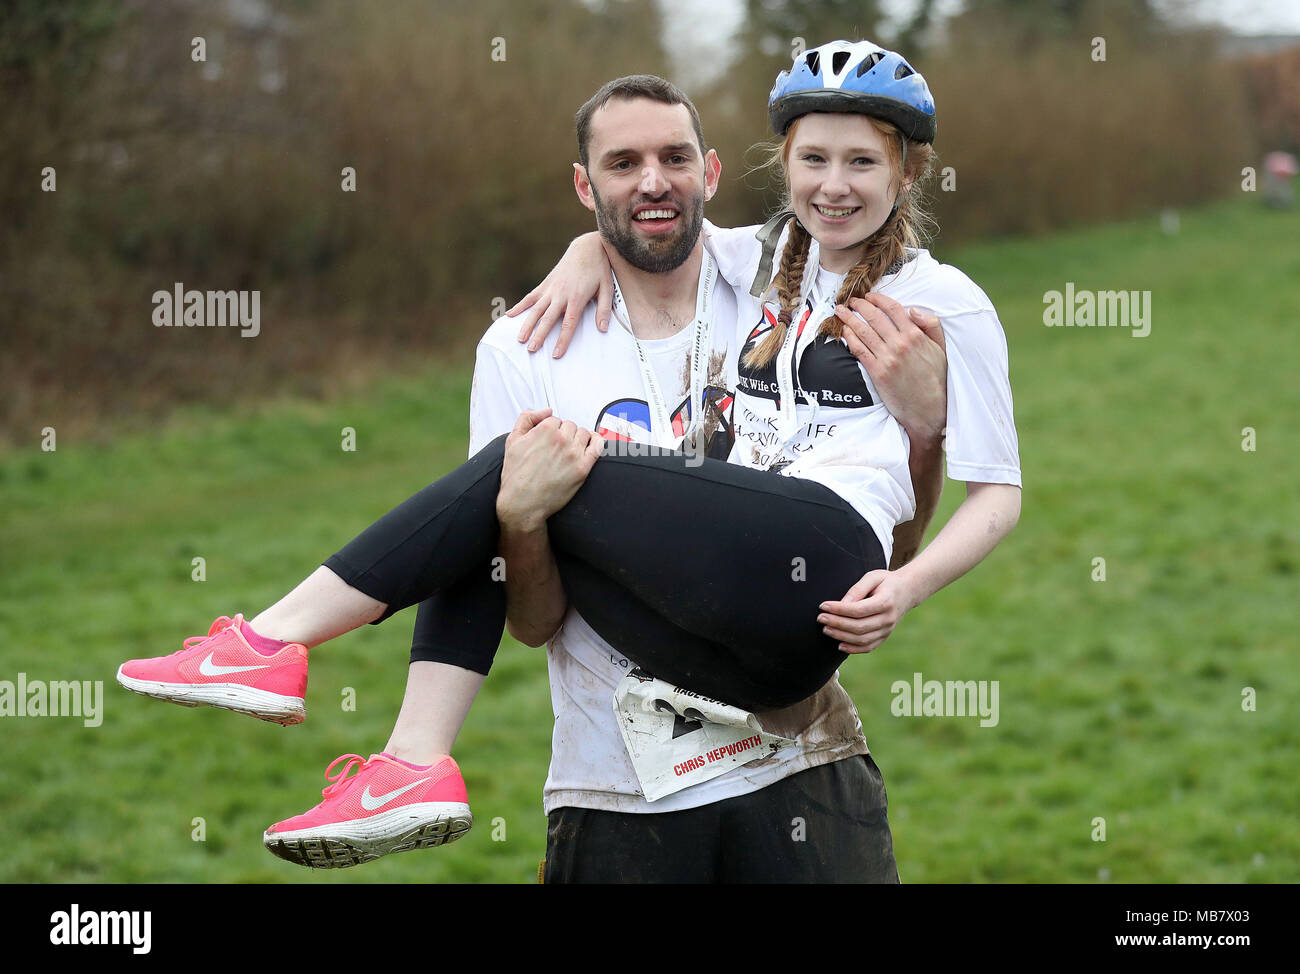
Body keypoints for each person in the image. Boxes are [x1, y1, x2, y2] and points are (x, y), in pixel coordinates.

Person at [116, 42, 1020, 881]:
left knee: (531, 465)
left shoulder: (941, 303)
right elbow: (647, 235)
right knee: (511, 494)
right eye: (813, 161)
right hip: (722, 676)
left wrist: (911, 553)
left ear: (908, 171)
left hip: (815, 595)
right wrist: (587, 251)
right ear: (779, 168)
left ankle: (274, 644)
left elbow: (1000, 494)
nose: (834, 185)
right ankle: (409, 762)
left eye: (863, 162)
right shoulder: (776, 259)